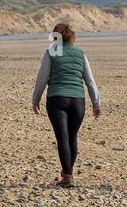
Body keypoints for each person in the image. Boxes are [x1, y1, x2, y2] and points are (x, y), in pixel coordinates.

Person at [32, 22, 101, 188]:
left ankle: (67, 176)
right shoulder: (80, 54)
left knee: (62, 137)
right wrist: (96, 103)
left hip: (57, 99)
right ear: (71, 37)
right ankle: (67, 174)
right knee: (72, 137)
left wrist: (36, 99)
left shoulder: (50, 53)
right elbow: (90, 81)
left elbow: (42, 79)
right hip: (78, 101)